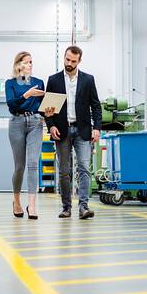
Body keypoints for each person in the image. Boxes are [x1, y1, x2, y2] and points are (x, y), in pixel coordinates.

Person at [42, 45, 102, 219]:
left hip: (83, 130)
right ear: (64, 57)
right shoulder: (53, 80)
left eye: (73, 61)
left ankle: (83, 207)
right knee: (64, 171)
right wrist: (51, 126)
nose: (69, 63)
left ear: (79, 61)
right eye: (67, 59)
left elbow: (96, 106)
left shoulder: (88, 80)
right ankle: (66, 207)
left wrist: (97, 128)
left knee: (84, 168)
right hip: (61, 130)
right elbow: (48, 108)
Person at [4, 51, 45, 219]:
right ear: (18, 65)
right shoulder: (11, 83)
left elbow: (43, 105)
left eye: (31, 62)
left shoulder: (39, 82)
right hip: (16, 123)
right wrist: (26, 95)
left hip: (36, 122)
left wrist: (48, 110)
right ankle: (16, 201)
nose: (30, 65)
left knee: (33, 164)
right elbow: (11, 105)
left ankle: (32, 206)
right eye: (27, 62)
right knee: (19, 167)